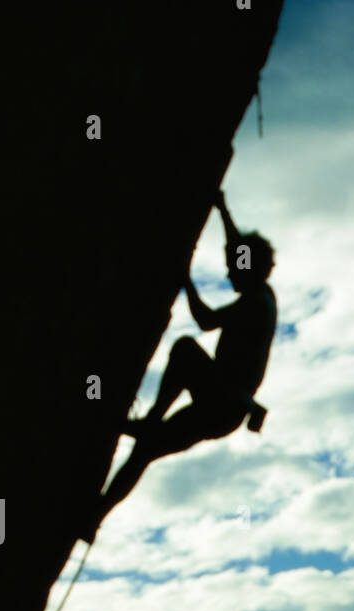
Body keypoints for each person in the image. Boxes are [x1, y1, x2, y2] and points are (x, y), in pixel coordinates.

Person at [82, 191, 276, 541]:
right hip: (222, 405)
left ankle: (152, 418)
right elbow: (238, 251)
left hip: (222, 400)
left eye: (233, 269)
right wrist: (223, 211)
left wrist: (186, 281)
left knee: (186, 349)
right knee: (146, 449)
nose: (229, 273)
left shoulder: (255, 304)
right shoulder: (261, 295)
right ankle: (94, 517)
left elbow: (205, 321)